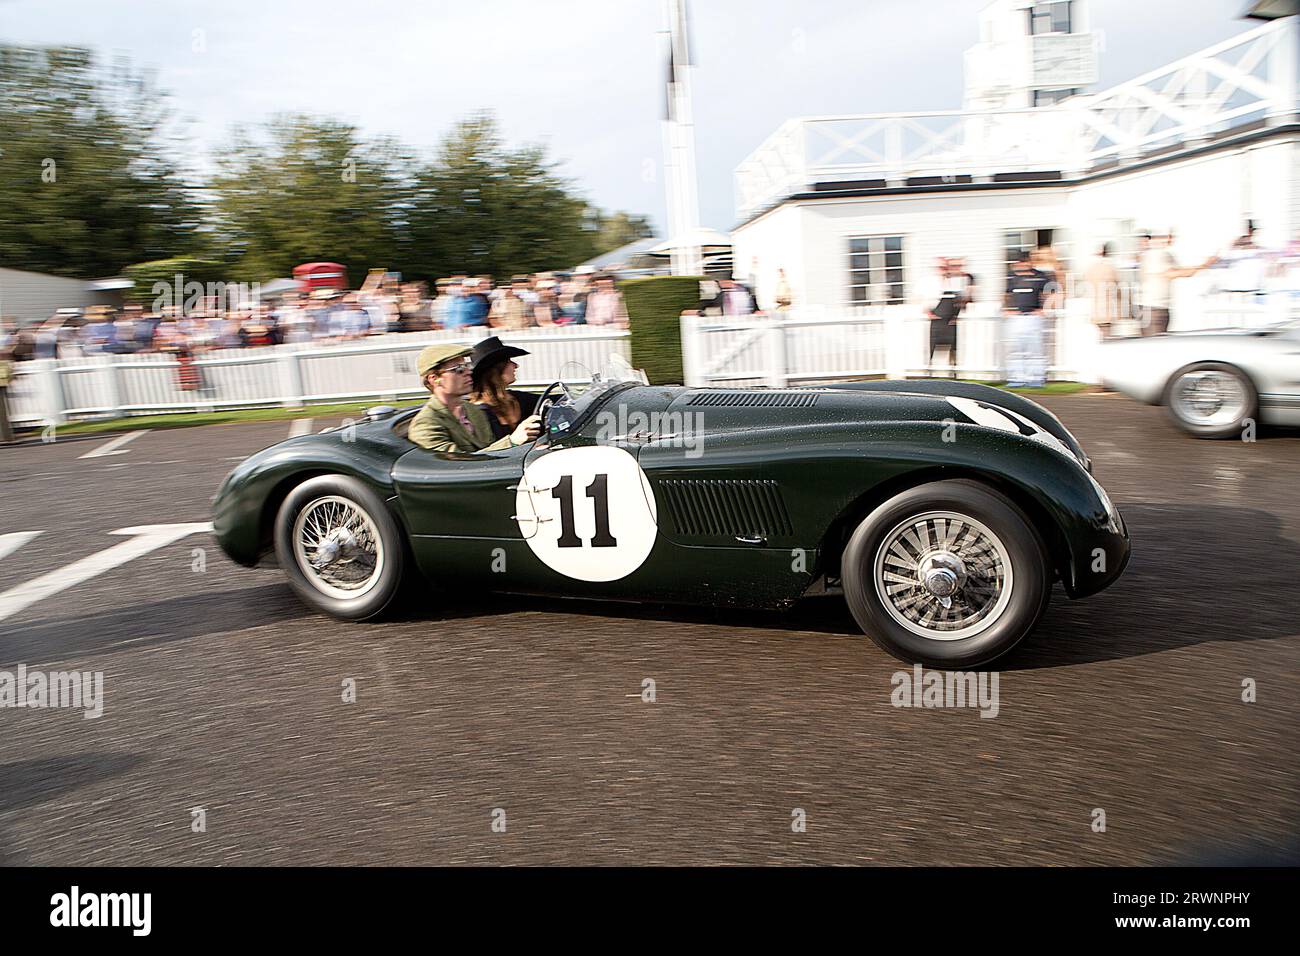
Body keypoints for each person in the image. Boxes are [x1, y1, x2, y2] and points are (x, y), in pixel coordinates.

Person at [407, 343, 541, 453]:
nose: (468, 372)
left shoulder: (472, 411)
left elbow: (491, 449)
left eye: (467, 366)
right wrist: (512, 441)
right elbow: (457, 466)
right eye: (458, 369)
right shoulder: (426, 425)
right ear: (434, 379)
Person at [469, 336, 541, 440]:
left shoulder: (519, 399)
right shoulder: (479, 413)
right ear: (496, 370)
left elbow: (553, 399)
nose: (516, 365)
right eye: (509, 361)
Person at [1004, 252, 1051, 388]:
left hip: (1033, 317)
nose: (1021, 265)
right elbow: (1006, 295)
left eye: (1024, 262)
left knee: (1034, 349)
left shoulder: (1040, 277)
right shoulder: (1012, 278)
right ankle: (1016, 378)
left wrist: (1044, 308)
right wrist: (1007, 309)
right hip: (1016, 317)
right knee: (1015, 349)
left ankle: (1036, 378)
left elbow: (1053, 292)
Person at [1136, 231, 1198, 335]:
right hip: (1153, 308)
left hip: (1160, 308)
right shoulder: (1155, 254)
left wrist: (1200, 267)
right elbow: (1172, 273)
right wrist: (1203, 266)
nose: (1170, 239)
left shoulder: (1165, 254)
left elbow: (1183, 272)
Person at [1085, 243, 1120, 339]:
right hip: (1107, 308)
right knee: (1107, 336)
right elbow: (1116, 286)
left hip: (1095, 308)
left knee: (1100, 336)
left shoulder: (1091, 268)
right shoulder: (1110, 267)